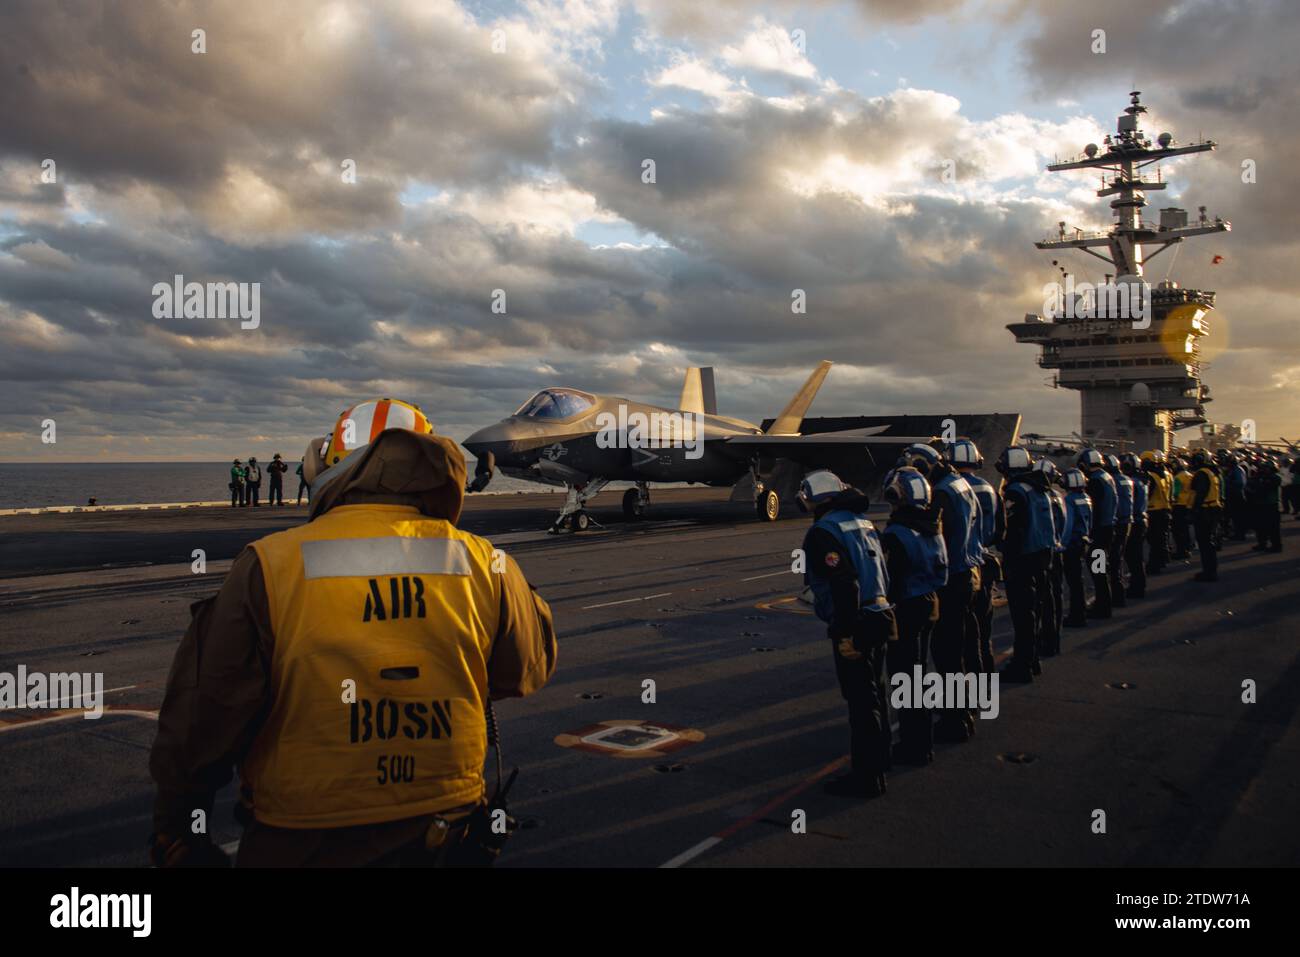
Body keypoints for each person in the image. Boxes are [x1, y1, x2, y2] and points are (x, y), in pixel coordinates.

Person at [149, 398, 558, 867]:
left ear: (328, 463)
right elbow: (527, 671)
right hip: (447, 835)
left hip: (303, 840)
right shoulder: (486, 563)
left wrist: (176, 827)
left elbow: (202, 717)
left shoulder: (269, 565)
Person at [800, 469, 897, 798]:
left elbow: (844, 583)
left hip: (856, 621)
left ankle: (868, 778)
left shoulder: (822, 532)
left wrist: (845, 631)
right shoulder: (864, 523)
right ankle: (881, 762)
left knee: (860, 701)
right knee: (876, 694)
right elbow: (882, 568)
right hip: (881, 612)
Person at [896, 443, 982, 742]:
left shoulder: (942, 493)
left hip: (951, 579)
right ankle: (967, 708)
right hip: (970, 571)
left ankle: (955, 720)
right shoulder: (960, 483)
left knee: (946, 653)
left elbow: (935, 544)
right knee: (961, 647)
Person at [879, 467, 946, 766]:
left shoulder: (896, 534)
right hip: (930, 601)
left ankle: (913, 746)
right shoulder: (932, 525)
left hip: (906, 608)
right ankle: (923, 740)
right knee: (920, 673)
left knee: (906, 679)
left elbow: (889, 581)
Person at [997, 446, 1054, 683]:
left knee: (1022, 616)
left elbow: (1014, 531)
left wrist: (1004, 552)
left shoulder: (1015, 492)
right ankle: (1033, 659)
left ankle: (1022, 666)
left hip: (1023, 560)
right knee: (1034, 612)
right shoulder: (1040, 488)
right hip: (1043, 556)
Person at [948, 438, 1000, 674]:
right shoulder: (989, 487)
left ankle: (966, 687)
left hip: (961, 566)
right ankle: (985, 672)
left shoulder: (951, 489)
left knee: (962, 632)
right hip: (984, 559)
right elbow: (1001, 529)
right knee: (983, 625)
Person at [1032, 459, 1067, 657]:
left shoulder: (1036, 497)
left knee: (1041, 600)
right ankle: (1054, 640)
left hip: (1041, 554)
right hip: (1056, 550)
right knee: (1056, 598)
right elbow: (1063, 522)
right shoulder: (1058, 497)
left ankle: (1041, 642)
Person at [1078, 449, 1116, 618]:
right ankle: (1104, 603)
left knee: (1098, 569)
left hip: (1099, 532)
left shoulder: (1095, 482)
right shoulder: (1107, 477)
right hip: (1108, 528)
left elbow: (1095, 509)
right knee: (1100, 568)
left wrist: (1089, 533)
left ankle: (1103, 606)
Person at [1061, 468, 1092, 628]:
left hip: (1073, 544)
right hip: (1086, 540)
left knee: (1074, 581)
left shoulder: (1069, 499)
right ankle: (1094, 604)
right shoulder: (1086, 498)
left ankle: (1077, 615)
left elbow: (1068, 524)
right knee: (1085, 576)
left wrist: (1062, 544)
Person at [1189, 450, 1222, 582]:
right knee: (1209, 542)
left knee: (1205, 543)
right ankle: (1211, 570)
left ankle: (1209, 573)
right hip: (1213, 508)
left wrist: (1194, 510)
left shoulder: (1201, 474)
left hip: (1205, 511)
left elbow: (1200, 493)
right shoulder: (1212, 472)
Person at [1105, 454, 1132, 607]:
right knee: (1117, 559)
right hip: (1126, 524)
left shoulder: (1109, 481)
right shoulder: (1127, 479)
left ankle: (1104, 598)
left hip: (1108, 528)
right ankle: (1116, 594)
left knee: (1101, 563)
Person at [1120, 453, 1148, 599]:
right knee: (1136, 557)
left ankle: (1135, 588)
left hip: (1134, 522)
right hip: (1142, 520)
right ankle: (1138, 585)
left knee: (1131, 557)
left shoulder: (1132, 483)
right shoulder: (1141, 481)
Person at [1143, 451, 1172, 575]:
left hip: (1154, 511)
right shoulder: (1164, 474)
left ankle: (1154, 566)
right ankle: (1161, 561)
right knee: (1160, 539)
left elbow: (1147, 495)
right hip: (1165, 509)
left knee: (1154, 540)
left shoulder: (1151, 477)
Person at [1251, 460, 1283, 552]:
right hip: (1262, 504)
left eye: (1266, 468)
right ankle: (1262, 543)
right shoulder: (1261, 476)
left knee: (1273, 528)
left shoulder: (1276, 477)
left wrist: (1262, 482)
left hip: (1272, 505)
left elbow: (1266, 487)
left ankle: (1276, 546)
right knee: (1260, 526)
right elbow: (1253, 485)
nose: (1264, 470)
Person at [1171, 456, 1195, 560]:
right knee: (1185, 529)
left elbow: (1175, 493)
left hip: (1179, 505)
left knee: (1178, 530)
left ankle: (1181, 551)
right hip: (1189, 504)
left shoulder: (1177, 478)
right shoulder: (1190, 475)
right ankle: (1188, 548)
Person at [1225, 452, 1249, 541]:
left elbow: (1240, 483)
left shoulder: (1237, 470)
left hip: (1238, 495)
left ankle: (1240, 534)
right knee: (1235, 517)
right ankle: (1237, 533)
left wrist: (1228, 484)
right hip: (1234, 495)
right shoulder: (1233, 470)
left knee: (1238, 517)